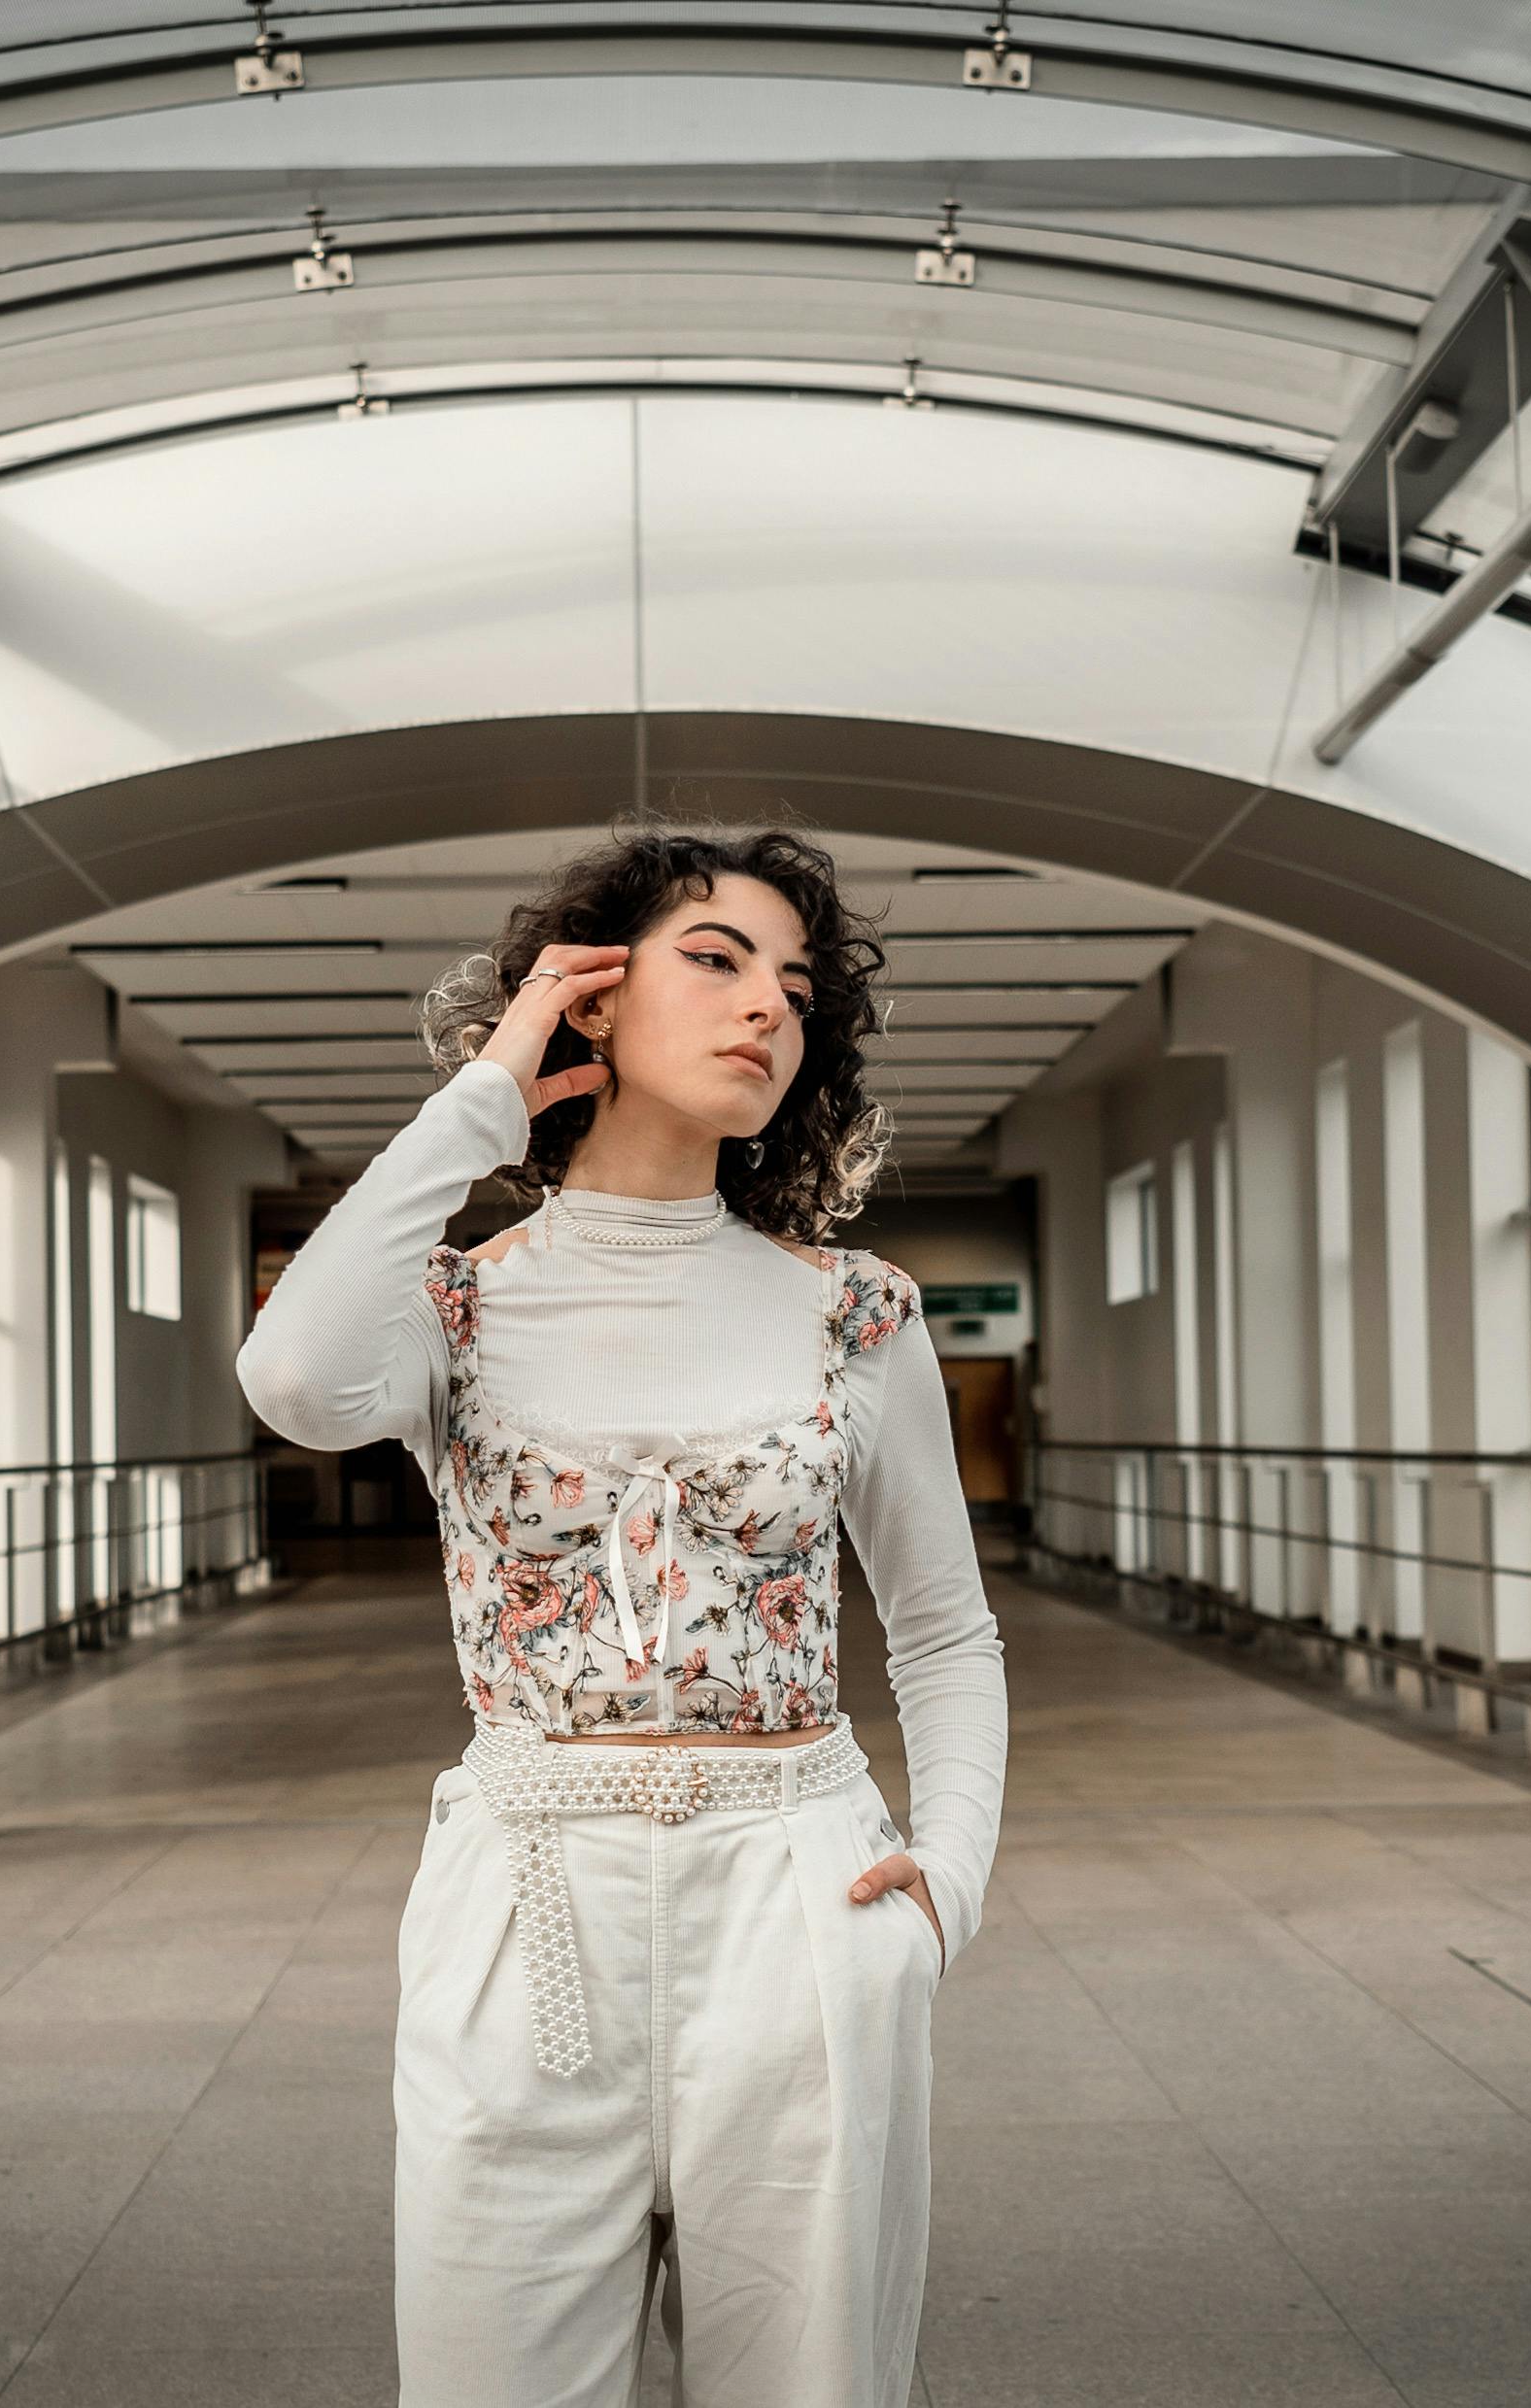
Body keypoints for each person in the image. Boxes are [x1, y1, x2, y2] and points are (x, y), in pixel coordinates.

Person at [237, 824, 1010, 2407]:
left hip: (800, 1895)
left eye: (797, 989)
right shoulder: (453, 1307)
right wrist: (486, 1095)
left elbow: (943, 1629)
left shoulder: (855, 1312)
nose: (767, 1007)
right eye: (716, 961)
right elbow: (294, 1378)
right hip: (526, 1900)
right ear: (588, 995)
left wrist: (950, 1886)